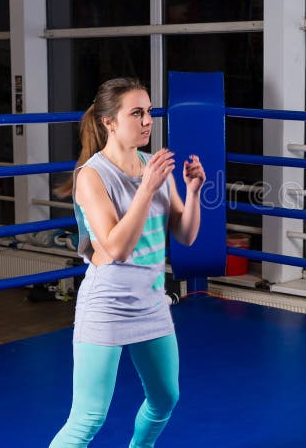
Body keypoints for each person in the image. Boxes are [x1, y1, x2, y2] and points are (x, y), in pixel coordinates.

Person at [50, 77, 206, 447]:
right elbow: (116, 248)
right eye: (136, 113)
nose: (148, 120)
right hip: (106, 306)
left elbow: (185, 235)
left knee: (165, 398)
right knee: (87, 418)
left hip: (151, 304)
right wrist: (147, 188)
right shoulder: (92, 176)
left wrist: (193, 193)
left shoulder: (154, 165)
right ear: (109, 122)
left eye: (149, 111)